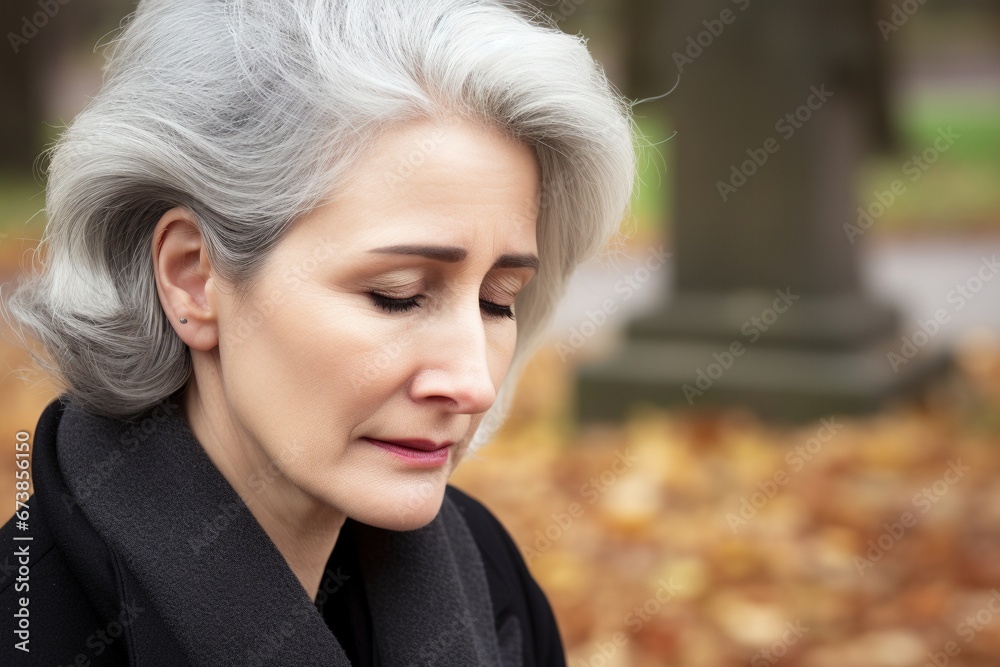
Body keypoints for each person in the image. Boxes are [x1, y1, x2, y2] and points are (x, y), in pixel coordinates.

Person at [0, 0, 637, 664]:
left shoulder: (490, 581)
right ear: (192, 275)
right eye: (398, 295)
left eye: (498, 300)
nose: (474, 382)